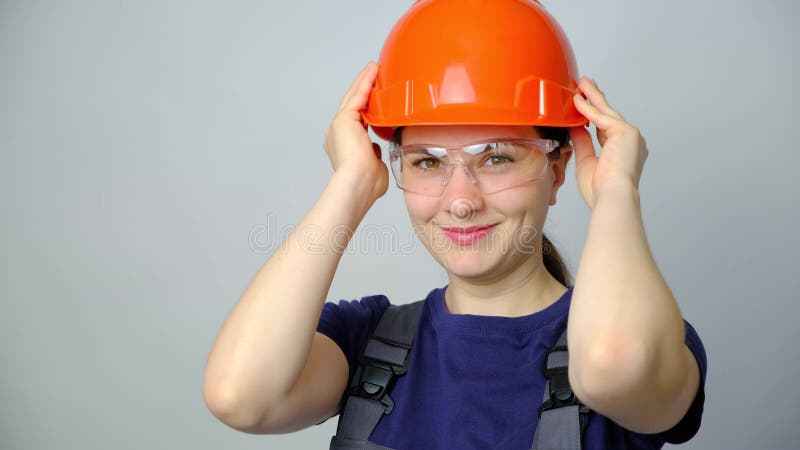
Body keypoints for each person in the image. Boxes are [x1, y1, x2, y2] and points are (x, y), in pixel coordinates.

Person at [202, 1, 707, 449]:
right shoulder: (367, 340)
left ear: (556, 172)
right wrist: (351, 183)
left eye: (498, 159)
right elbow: (239, 397)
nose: (460, 202)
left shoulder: (642, 333)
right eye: (426, 162)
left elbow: (613, 366)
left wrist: (616, 192)